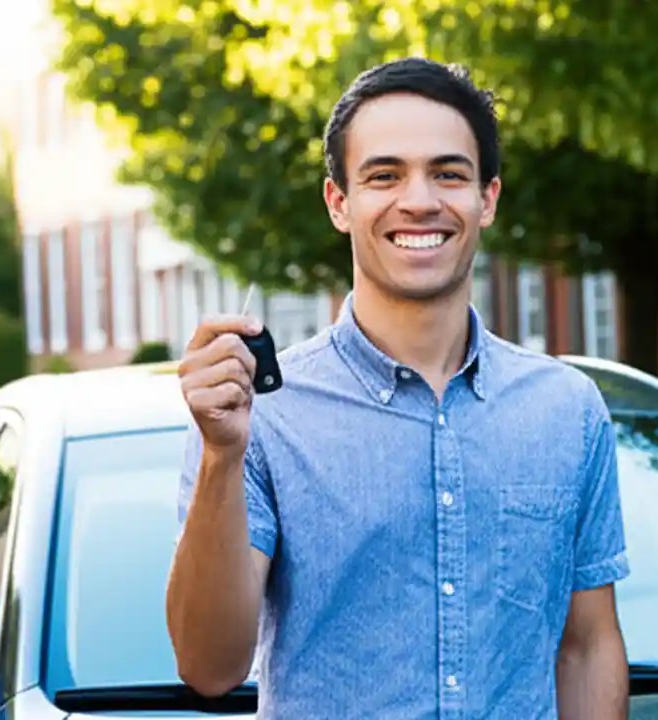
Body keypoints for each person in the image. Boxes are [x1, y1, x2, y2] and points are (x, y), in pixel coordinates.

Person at [169, 57, 630, 718]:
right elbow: (209, 668)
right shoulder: (260, 414)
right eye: (384, 175)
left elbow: (585, 649)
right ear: (339, 203)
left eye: (448, 173)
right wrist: (221, 457)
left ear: (487, 199)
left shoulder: (567, 411)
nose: (419, 200)